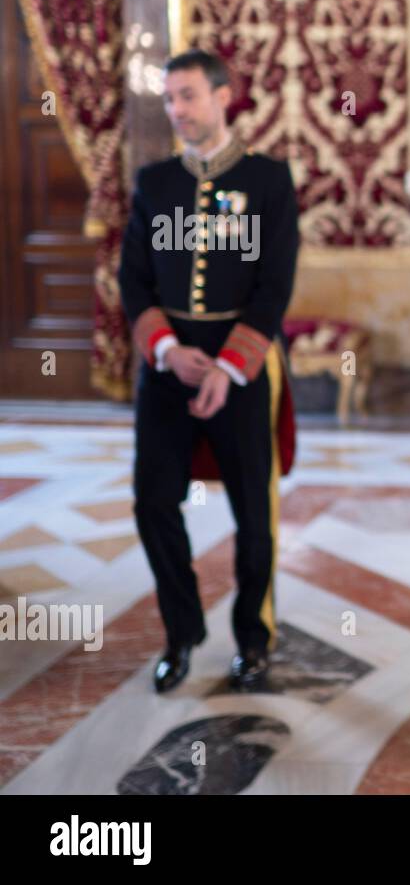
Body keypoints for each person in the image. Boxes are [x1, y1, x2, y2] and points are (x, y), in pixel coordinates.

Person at [118, 49, 299, 693]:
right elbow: (133, 279)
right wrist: (166, 349)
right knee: (151, 501)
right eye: (170, 98)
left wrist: (229, 365)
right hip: (168, 366)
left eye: (189, 95)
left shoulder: (269, 180)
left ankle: (253, 639)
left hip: (241, 367)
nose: (178, 110)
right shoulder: (155, 183)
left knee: (255, 512)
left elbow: (276, 285)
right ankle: (182, 628)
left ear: (224, 96)